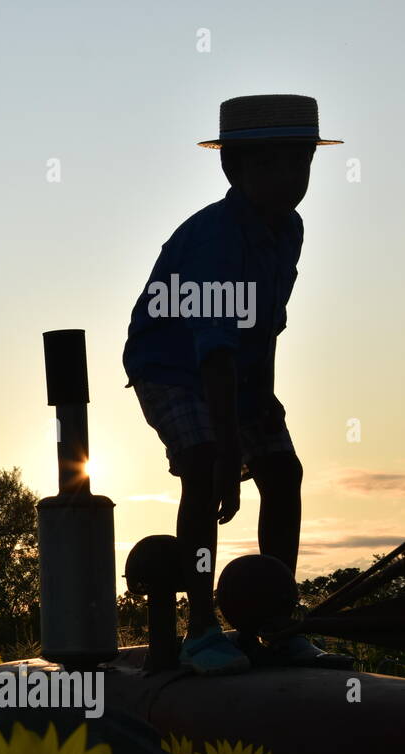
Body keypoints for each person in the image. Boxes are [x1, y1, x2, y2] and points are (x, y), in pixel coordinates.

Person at [122, 94, 344, 675]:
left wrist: (264, 399)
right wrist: (226, 451)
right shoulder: (214, 238)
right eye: (270, 163)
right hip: (172, 365)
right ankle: (199, 629)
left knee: (282, 471)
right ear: (234, 169)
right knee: (201, 463)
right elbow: (212, 348)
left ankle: (278, 622)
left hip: (236, 370)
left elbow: (266, 324)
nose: (290, 177)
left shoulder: (289, 230)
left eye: (301, 162)